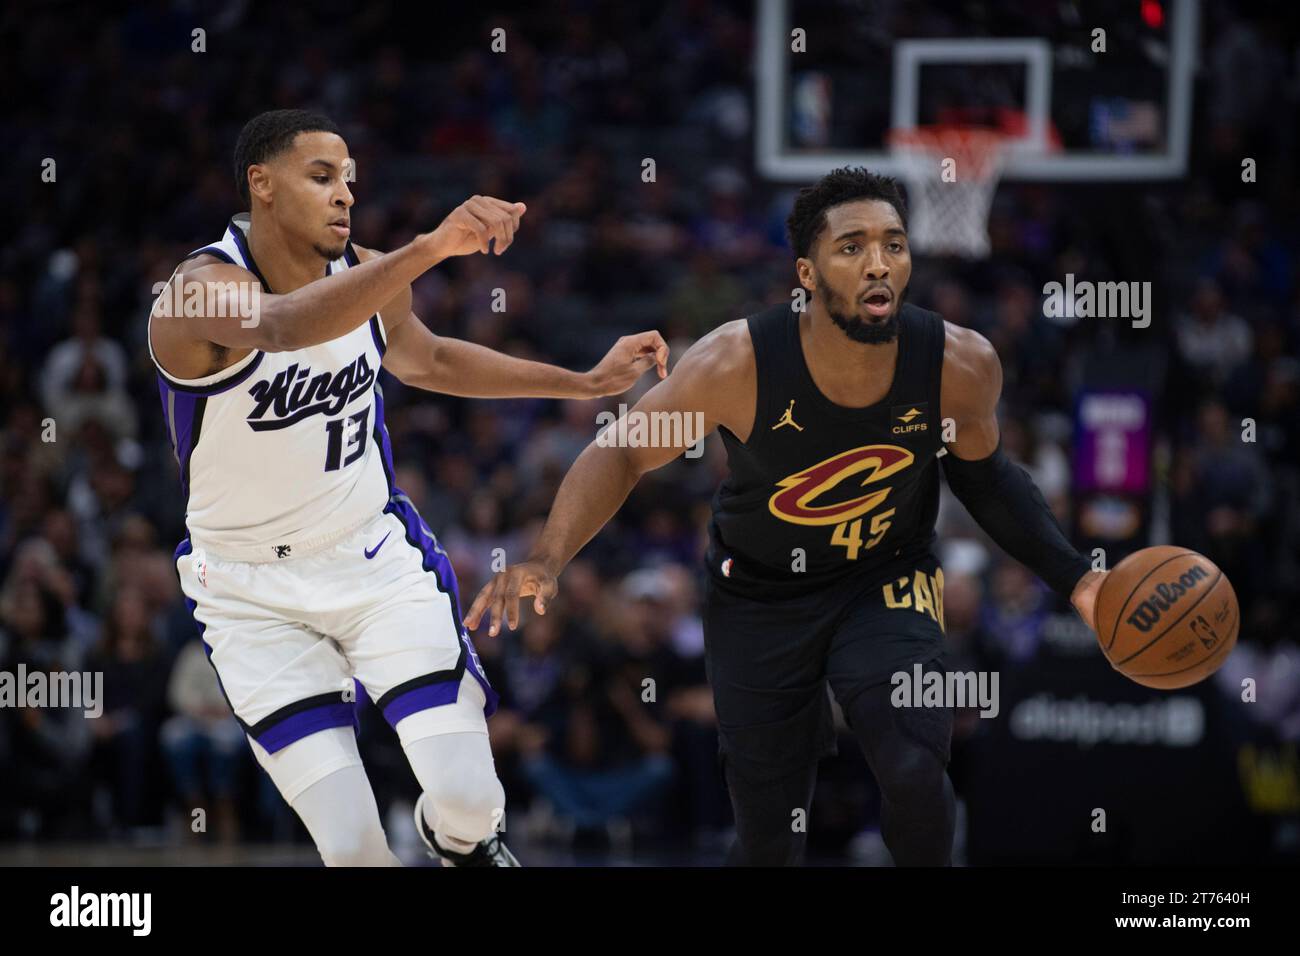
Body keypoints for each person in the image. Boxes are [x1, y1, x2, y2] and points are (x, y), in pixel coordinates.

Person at [467, 167, 1105, 866]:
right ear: (807, 270)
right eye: (852, 246)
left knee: (917, 771)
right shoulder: (736, 362)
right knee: (772, 833)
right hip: (759, 592)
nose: (878, 263)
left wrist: (1079, 580)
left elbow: (986, 481)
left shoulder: (961, 363)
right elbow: (619, 454)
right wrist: (549, 557)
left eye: (894, 244)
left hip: (884, 580)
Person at [147, 109, 668, 866]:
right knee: (355, 850)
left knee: (470, 803)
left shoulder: (369, 273)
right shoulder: (192, 295)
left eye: (349, 181)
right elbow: (287, 325)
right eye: (321, 177)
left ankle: (450, 839)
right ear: (260, 184)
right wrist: (431, 249)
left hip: (371, 559)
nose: (344, 196)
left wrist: (581, 382)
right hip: (246, 591)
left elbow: (431, 361)